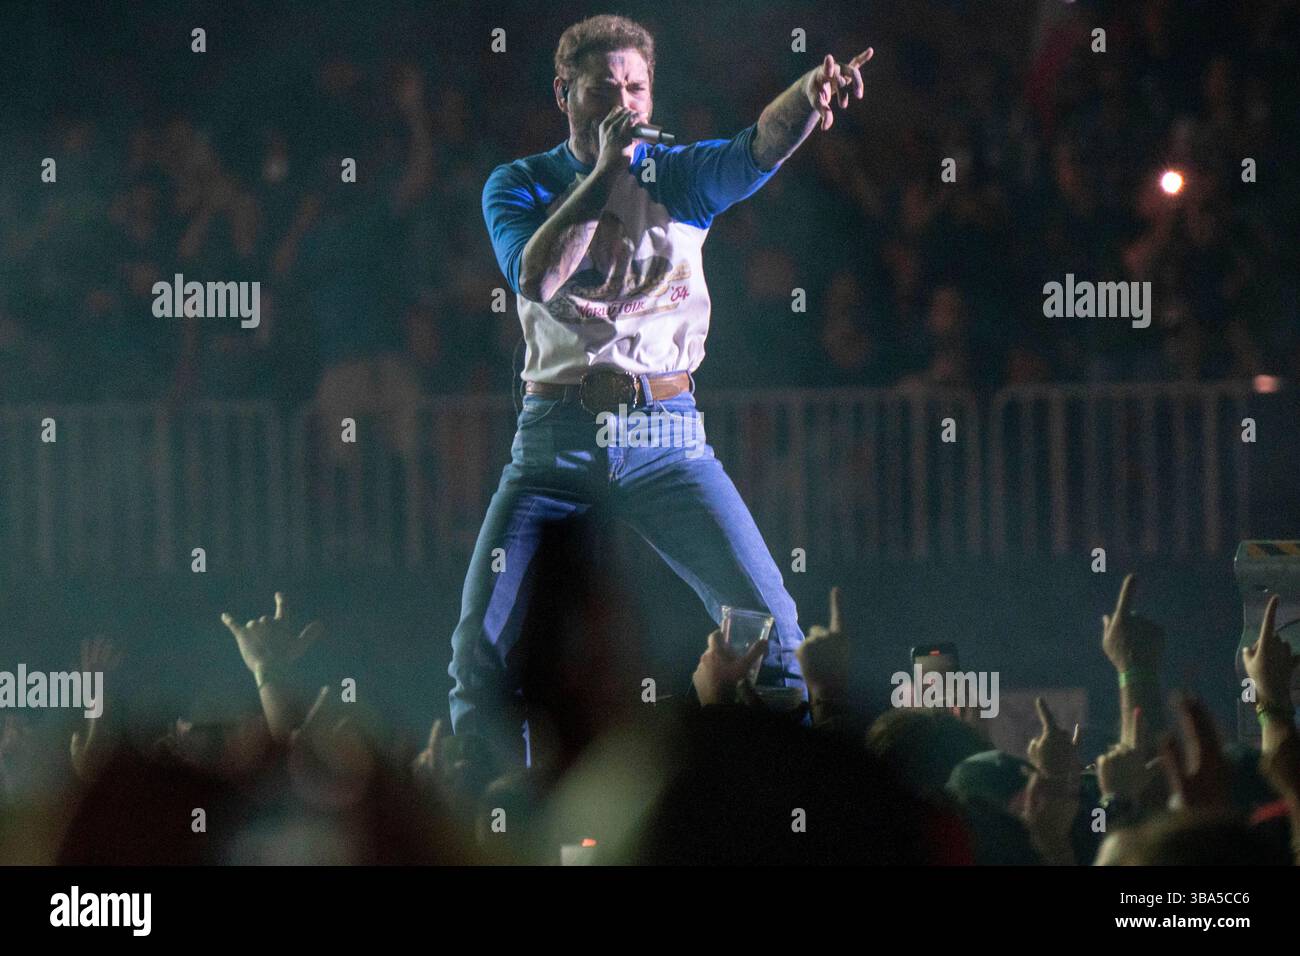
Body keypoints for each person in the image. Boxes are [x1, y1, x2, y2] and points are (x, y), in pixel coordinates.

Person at [448, 13, 874, 765]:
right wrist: (605, 171)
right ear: (564, 94)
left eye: (636, 87)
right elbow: (538, 276)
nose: (625, 102)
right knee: (482, 650)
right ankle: (500, 817)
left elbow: (755, 148)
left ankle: (792, 818)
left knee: (770, 628)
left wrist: (807, 94)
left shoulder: (675, 172)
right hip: (556, 440)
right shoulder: (517, 182)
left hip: (667, 435)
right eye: (605, 87)